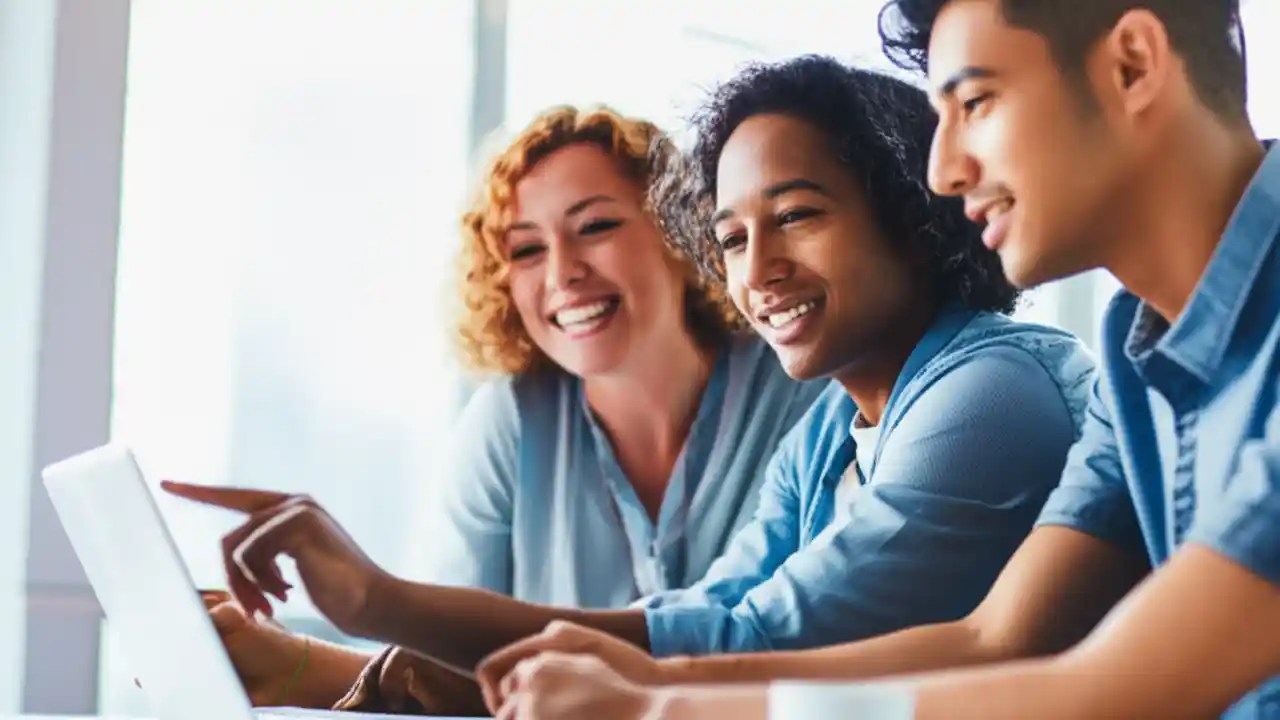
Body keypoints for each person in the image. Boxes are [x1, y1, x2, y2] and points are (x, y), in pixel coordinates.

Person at [164, 56, 1095, 713]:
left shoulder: (993, 391)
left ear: (914, 216)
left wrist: (378, 603)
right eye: (732, 237)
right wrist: (341, 643)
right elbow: (705, 615)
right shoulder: (827, 430)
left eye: (797, 216)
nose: (758, 268)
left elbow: (774, 634)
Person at [481, 1, 1280, 718]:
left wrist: (660, 706)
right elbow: (996, 640)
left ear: (1132, 66)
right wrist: (654, 685)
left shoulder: (1001, 384)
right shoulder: (1131, 354)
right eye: (730, 238)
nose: (942, 172)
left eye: (976, 102)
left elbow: (1110, 689)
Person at [196, 104, 827, 712]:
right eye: (526, 250)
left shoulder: (805, 391)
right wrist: (293, 662)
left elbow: (788, 649)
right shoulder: (511, 422)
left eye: (595, 227)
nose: (562, 273)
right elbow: (439, 676)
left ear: (679, 231)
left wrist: (310, 658)